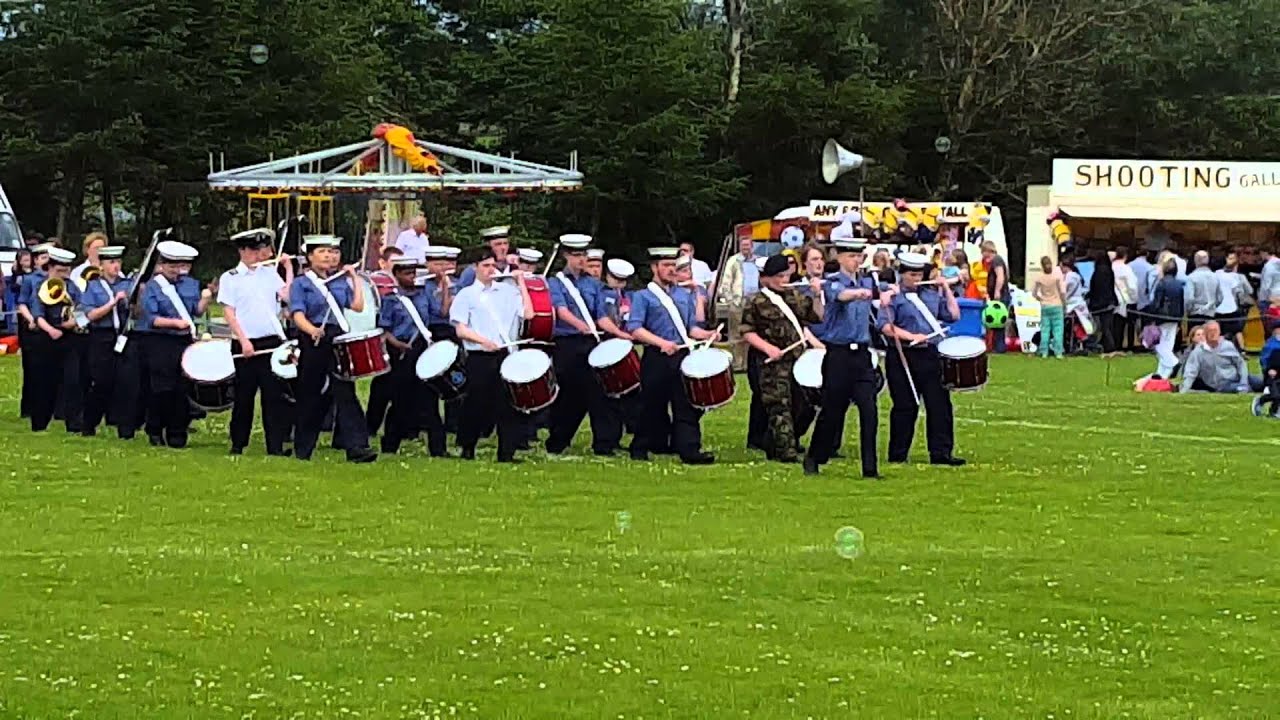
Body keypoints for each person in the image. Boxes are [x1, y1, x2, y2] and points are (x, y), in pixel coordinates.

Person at [627, 247, 720, 465]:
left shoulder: (683, 295)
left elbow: (690, 329)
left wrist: (708, 334)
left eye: (673, 266)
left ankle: (689, 449)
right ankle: (641, 446)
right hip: (657, 357)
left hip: (681, 355)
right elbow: (635, 328)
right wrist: (661, 343)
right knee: (651, 404)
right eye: (666, 266)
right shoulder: (643, 296)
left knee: (686, 404)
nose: (671, 270)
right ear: (654, 268)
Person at [289, 235, 377, 463]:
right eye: (323, 252)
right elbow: (296, 313)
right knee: (310, 393)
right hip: (313, 339)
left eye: (334, 252)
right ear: (310, 256)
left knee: (345, 392)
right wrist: (311, 330)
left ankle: (357, 447)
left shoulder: (339, 281)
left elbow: (357, 306)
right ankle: (303, 447)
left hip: (337, 337)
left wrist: (354, 278)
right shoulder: (302, 283)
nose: (330, 256)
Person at [802, 239, 882, 477]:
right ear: (839, 258)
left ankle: (870, 468)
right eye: (851, 256)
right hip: (838, 355)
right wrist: (858, 293)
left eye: (859, 256)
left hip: (862, 356)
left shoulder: (867, 281)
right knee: (832, 411)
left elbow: (883, 291)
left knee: (870, 410)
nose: (856, 261)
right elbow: (842, 296)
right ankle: (815, 456)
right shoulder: (833, 282)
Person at [878, 251, 965, 466]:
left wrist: (945, 287)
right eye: (912, 275)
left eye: (919, 275)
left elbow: (953, 315)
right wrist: (911, 336)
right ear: (902, 274)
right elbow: (885, 326)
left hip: (930, 354)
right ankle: (898, 453)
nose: (916, 279)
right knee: (905, 405)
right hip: (902, 354)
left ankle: (941, 453)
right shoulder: (892, 296)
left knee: (940, 404)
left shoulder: (930, 294)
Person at [449, 249, 535, 463]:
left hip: (505, 353)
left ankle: (506, 452)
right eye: (485, 266)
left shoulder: (506, 291)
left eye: (492, 265)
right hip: (480, 356)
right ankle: (468, 447)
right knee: (476, 404)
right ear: (475, 268)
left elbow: (528, 314)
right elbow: (461, 329)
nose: (490, 270)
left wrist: (520, 283)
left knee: (508, 404)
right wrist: (482, 340)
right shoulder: (466, 294)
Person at [739, 255, 823, 464]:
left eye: (786, 275)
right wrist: (768, 348)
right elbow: (747, 331)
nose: (783, 280)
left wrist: (817, 294)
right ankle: (786, 451)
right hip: (772, 363)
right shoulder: (756, 301)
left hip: (797, 359)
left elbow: (817, 317)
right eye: (778, 277)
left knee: (804, 404)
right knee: (779, 406)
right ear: (766, 278)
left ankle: (777, 441)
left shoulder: (794, 296)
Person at [217, 229, 293, 456]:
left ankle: (275, 446)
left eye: (262, 250)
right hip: (245, 341)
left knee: (273, 395)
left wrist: (288, 269)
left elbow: (287, 296)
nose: (259, 255)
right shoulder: (230, 277)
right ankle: (238, 443)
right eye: (254, 250)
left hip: (271, 339)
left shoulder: (269, 273)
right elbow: (229, 312)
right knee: (244, 395)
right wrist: (244, 340)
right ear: (243, 251)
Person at [541, 234, 617, 456]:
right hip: (568, 343)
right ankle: (558, 440)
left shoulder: (593, 284)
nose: (582, 259)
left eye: (584, 254)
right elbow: (561, 311)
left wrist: (619, 333)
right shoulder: (556, 282)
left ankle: (604, 443)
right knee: (570, 395)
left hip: (591, 341)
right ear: (566, 255)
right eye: (576, 255)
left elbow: (601, 315)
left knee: (600, 392)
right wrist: (582, 326)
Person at [136, 241, 213, 448]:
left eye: (180, 266)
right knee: (161, 388)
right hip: (160, 341)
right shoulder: (153, 285)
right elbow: (151, 318)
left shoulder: (190, 284)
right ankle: (154, 428)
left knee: (182, 388)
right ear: (162, 265)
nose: (176, 270)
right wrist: (174, 323)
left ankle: (177, 432)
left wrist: (206, 299)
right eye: (171, 266)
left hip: (183, 341)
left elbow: (195, 311)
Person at [378, 255, 449, 456]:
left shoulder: (423, 295)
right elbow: (384, 329)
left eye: (414, 273)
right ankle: (390, 444)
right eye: (407, 273)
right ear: (397, 274)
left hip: (422, 347)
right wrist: (397, 344)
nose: (412, 277)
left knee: (430, 400)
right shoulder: (391, 299)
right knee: (401, 401)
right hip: (401, 351)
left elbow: (442, 313)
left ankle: (438, 448)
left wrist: (444, 286)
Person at [77, 245, 132, 436]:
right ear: (101, 265)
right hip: (102, 336)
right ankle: (89, 423)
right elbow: (90, 315)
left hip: (123, 335)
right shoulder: (93, 287)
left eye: (118, 262)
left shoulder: (127, 284)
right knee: (101, 381)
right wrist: (112, 303)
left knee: (125, 382)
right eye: (111, 262)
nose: (116, 266)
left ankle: (124, 427)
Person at [26, 247, 80, 432]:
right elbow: (37, 315)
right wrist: (51, 330)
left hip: (69, 337)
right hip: (46, 337)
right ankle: (39, 423)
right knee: (45, 382)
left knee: (73, 381)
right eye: (59, 271)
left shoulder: (71, 287)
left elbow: (80, 308)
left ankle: (73, 424)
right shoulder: (41, 287)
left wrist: (74, 321)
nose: (63, 275)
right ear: (49, 269)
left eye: (66, 271)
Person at [16, 244, 52, 418]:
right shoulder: (30, 279)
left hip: (52, 327)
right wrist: (31, 319)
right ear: (36, 260)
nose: (47, 261)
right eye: (44, 257)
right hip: (33, 329)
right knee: (32, 370)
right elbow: (22, 302)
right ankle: (30, 408)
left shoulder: (56, 278)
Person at [1179, 321, 1262, 393]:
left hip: (1237, 376)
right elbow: (1191, 373)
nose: (1213, 333)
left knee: (1261, 382)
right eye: (1210, 331)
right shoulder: (1198, 352)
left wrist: (1244, 381)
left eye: (1215, 330)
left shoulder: (1227, 345)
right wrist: (1183, 390)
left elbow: (1240, 364)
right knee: (1242, 389)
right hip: (1222, 385)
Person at [717, 237, 759, 371]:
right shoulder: (734, 261)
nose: (745, 248)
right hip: (739, 302)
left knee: (752, 333)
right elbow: (725, 282)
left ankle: (748, 364)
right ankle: (737, 364)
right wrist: (731, 301)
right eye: (743, 245)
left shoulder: (758, 261)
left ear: (752, 246)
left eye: (747, 245)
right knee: (735, 334)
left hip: (755, 302)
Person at [1145, 257, 1185, 379]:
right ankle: (1162, 373)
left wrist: (1151, 316)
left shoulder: (1161, 284)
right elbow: (1181, 303)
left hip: (1162, 317)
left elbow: (1157, 303)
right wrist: (1180, 320)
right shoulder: (1179, 285)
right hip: (1175, 317)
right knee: (1168, 344)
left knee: (1159, 346)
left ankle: (1174, 362)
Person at [1214, 252, 1251, 350]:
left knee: (1220, 329)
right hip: (1232, 306)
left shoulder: (1217, 274)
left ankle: (1219, 347)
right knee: (1237, 329)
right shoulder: (1236, 277)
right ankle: (1242, 348)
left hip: (1218, 307)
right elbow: (1241, 291)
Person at [1032, 256, 1066, 358]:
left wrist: (1040, 299)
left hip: (1045, 305)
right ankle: (1058, 352)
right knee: (1058, 329)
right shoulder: (1057, 276)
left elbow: (1034, 293)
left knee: (1045, 329)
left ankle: (1044, 352)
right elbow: (1062, 291)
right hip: (1056, 304)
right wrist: (1064, 303)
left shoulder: (1039, 278)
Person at [981, 241, 1011, 353]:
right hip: (999, 295)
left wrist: (997, 291)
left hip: (1001, 295)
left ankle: (999, 347)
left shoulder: (996, 260)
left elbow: (1000, 276)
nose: (982, 255)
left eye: (983, 252)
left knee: (998, 321)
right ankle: (997, 346)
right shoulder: (996, 260)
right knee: (997, 322)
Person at [1184, 250, 1221, 334]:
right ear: (1208, 261)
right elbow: (1220, 298)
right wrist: (1213, 306)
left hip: (1195, 313)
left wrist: (1189, 310)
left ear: (1195, 260)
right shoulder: (1215, 277)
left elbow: (1189, 298)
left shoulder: (1191, 277)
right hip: (1211, 313)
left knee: (1196, 339)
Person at [1087, 250, 1117, 352]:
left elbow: (1095, 287)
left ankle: (1108, 346)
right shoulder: (1109, 270)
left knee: (1102, 327)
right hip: (1109, 302)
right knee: (1107, 326)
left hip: (1099, 303)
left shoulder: (1098, 271)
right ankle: (1109, 345)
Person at [1111, 246, 1139, 350]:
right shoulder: (1126, 269)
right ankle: (1129, 345)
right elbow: (1132, 286)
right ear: (1126, 256)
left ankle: (1115, 345)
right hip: (1126, 299)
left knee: (1116, 325)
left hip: (1113, 299)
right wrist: (1134, 298)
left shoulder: (1111, 267)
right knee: (1129, 325)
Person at [1252, 321, 1280, 417]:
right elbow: (1264, 360)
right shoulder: (1270, 345)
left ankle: (1274, 412)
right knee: (1275, 395)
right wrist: (1268, 370)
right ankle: (1261, 400)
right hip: (1272, 375)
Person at [1258, 248, 1279, 313]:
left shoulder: (1269, 266)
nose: (1260, 256)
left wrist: (1261, 299)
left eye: (1260, 254)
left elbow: (1265, 285)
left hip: (1271, 297)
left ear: (1265, 253)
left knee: (1271, 320)